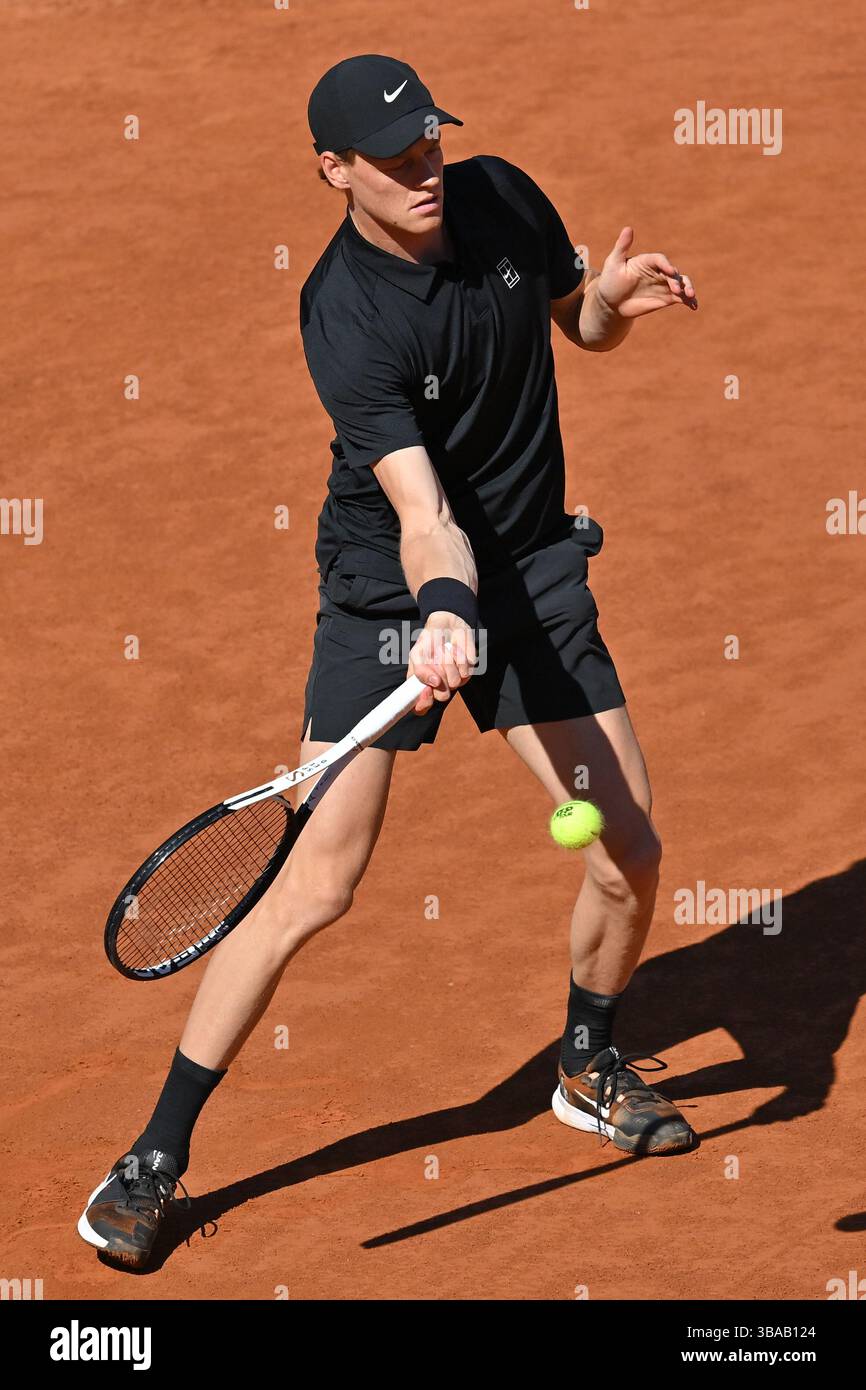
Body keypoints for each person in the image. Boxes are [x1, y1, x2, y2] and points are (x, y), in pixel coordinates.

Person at [79, 53, 699, 1270]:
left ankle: (584, 1062)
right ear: (333, 169)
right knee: (316, 883)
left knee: (627, 849)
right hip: (387, 594)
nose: (424, 169)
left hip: (532, 578)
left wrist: (609, 308)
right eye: (394, 156)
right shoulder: (346, 314)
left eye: (429, 143)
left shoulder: (501, 196)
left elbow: (574, 322)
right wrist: (441, 611)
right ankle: (153, 1156)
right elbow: (420, 514)